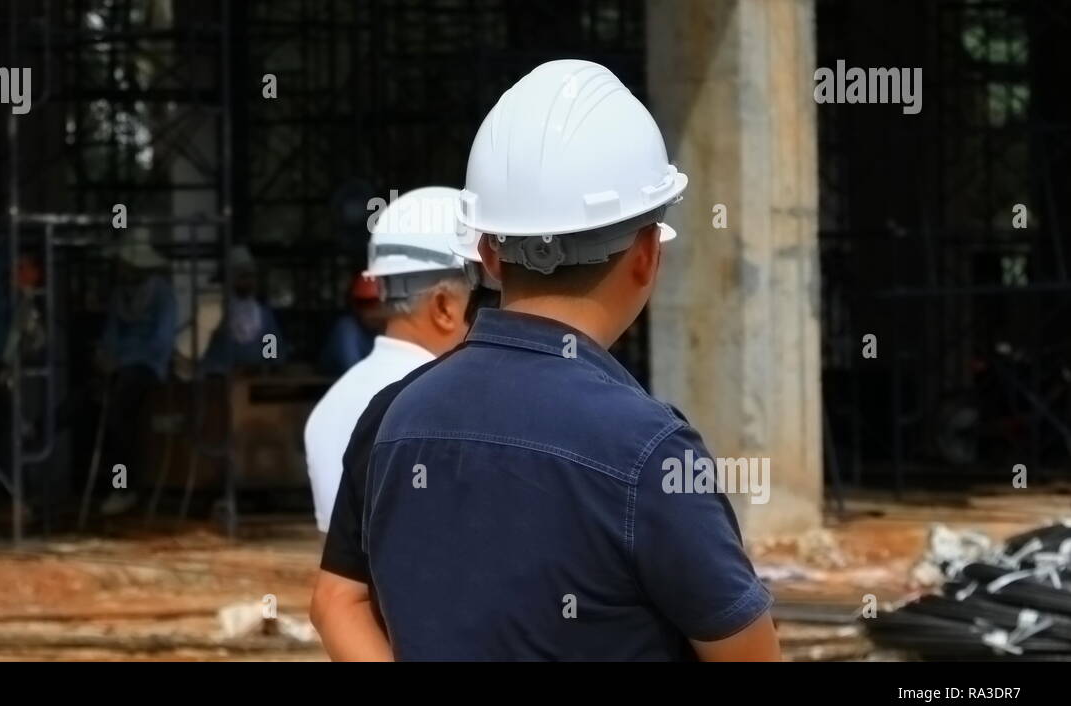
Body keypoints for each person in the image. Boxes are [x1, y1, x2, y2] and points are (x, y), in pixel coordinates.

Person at [311, 60, 779, 661]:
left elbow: (338, 602)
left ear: (487, 252)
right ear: (646, 257)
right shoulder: (649, 450)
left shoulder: (391, 415)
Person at [304, 188, 475, 533]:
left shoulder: (331, 405)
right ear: (444, 307)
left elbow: (341, 569)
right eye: (489, 295)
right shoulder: (457, 408)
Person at [95, 228, 178, 516]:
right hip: (119, 366)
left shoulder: (161, 294)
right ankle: (37, 432)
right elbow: (110, 334)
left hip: (147, 367)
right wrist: (106, 356)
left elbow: (161, 341)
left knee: (119, 415)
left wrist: (123, 359)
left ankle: (124, 488)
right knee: (90, 400)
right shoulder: (120, 295)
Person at [202, 245, 282, 372]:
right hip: (222, 380)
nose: (249, 281)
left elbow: (271, 348)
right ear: (230, 279)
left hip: (254, 381)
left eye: (251, 276)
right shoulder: (215, 311)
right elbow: (206, 350)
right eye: (243, 276)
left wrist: (267, 369)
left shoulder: (263, 314)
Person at [318, 274, 386, 376]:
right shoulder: (347, 328)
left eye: (375, 305)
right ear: (354, 306)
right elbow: (355, 374)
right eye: (363, 304)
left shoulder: (390, 327)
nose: (369, 312)